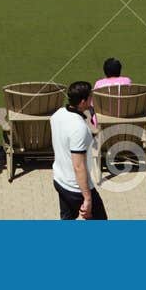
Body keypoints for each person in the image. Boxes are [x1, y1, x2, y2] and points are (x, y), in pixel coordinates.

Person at [51, 80, 104, 220]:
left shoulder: (57, 114)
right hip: (75, 188)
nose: (92, 100)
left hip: (60, 180)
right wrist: (87, 198)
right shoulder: (78, 128)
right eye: (90, 97)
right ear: (82, 102)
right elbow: (78, 166)